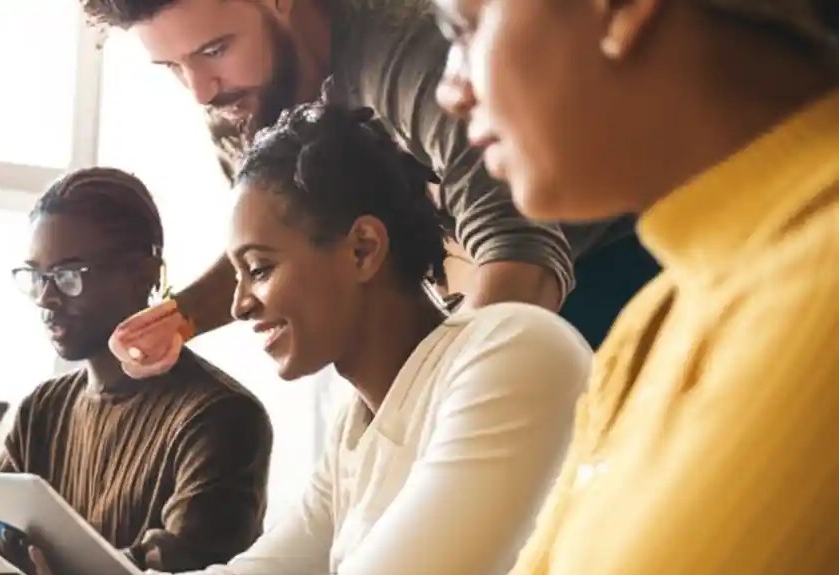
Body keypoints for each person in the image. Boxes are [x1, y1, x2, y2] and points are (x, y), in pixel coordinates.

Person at [0, 0, 839, 575]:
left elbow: (512, 265)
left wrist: (456, 376)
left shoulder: (806, 298)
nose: (452, 89)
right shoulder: (668, 315)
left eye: (470, 27)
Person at [0, 101, 589, 575]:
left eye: (260, 268)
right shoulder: (361, 421)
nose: (241, 303)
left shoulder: (510, 351)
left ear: (364, 249)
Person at [84, 0, 644, 377]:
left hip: (619, 263)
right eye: (172, 67)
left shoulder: (407, 51)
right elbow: (282, 247)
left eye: (215, 50)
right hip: (483, 300)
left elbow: (518, 245)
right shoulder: (238, 101)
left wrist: (434, 408)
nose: (202, 91)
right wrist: (181, 318)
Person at [0, 168, 273, 575]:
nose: (46, 298)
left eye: (68, 276)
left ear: (143, 275)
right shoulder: (43, 410)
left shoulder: (220, 417)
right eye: (36, 276)